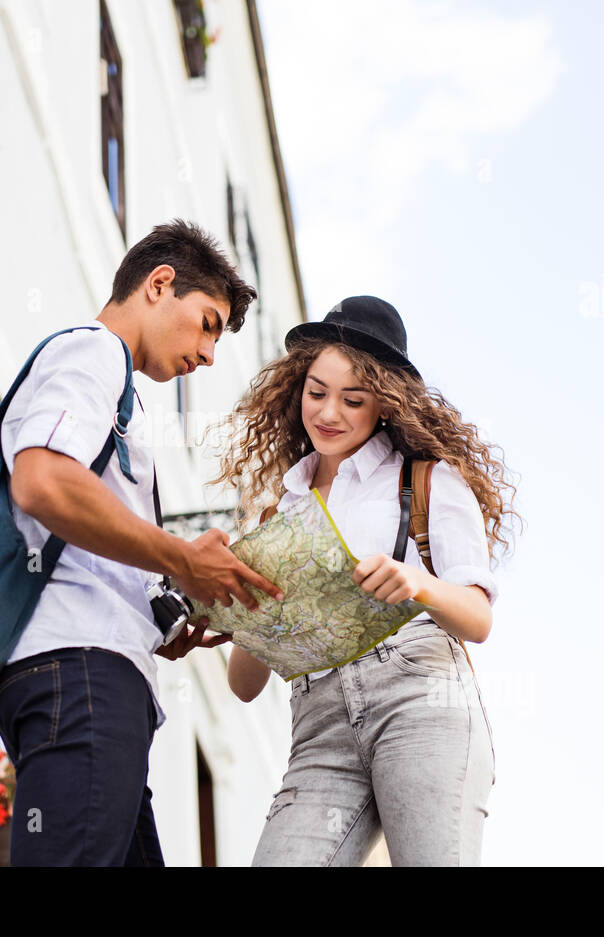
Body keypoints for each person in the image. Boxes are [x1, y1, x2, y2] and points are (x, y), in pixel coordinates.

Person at [0, 219, 282, 866]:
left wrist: (169, 615)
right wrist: (181, 557)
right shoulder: (92, 352)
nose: (209, 355)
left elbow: (72, 522)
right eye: (208, 322)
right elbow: (41, 482)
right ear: (159, 285)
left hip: (92, 674)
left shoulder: (116, 389)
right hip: (82, 674)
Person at [214, 295, 521, 866]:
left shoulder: (426, 482)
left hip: (419, 699)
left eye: (353, 399)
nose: (329, 413)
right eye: (316, 392)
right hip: (318, 724)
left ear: (384, 404)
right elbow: (244, 684)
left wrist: (417, 583)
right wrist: (251, 608)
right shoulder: (280, 514)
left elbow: (478, 619)